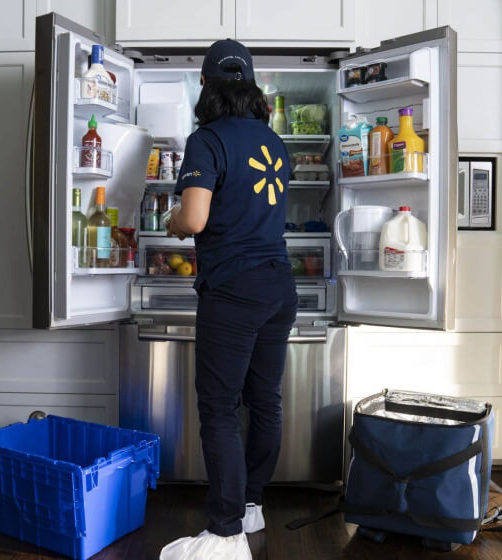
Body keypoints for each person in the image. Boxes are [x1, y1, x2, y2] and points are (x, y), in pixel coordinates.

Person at [159, 39, 297, 560]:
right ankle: (251, 506)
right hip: (279, 285)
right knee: (264, 402)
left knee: (218, 409)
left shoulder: (207, 140)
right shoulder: (272, 141)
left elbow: (194, 219)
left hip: (234, 290)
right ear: (252, 86)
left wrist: (173, 222)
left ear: (205, 85)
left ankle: (223, 534)